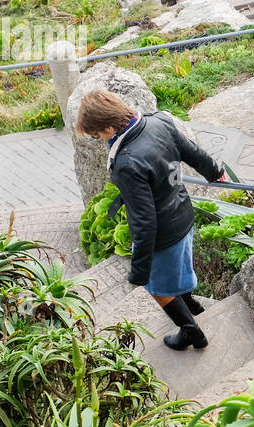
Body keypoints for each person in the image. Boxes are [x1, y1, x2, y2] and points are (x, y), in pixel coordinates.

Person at [75, 90, 226, 351]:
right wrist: (215, 172)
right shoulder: (158, 121)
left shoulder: (126, 163)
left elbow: (144, 221)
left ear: (109, 127)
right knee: (178, 268)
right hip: (183, 215)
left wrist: (140, 271)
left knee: (157, 287)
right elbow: (192, 152)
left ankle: (192, 332)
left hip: (163, 234)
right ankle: (192, 306)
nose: (98, 140)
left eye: (96, 134)